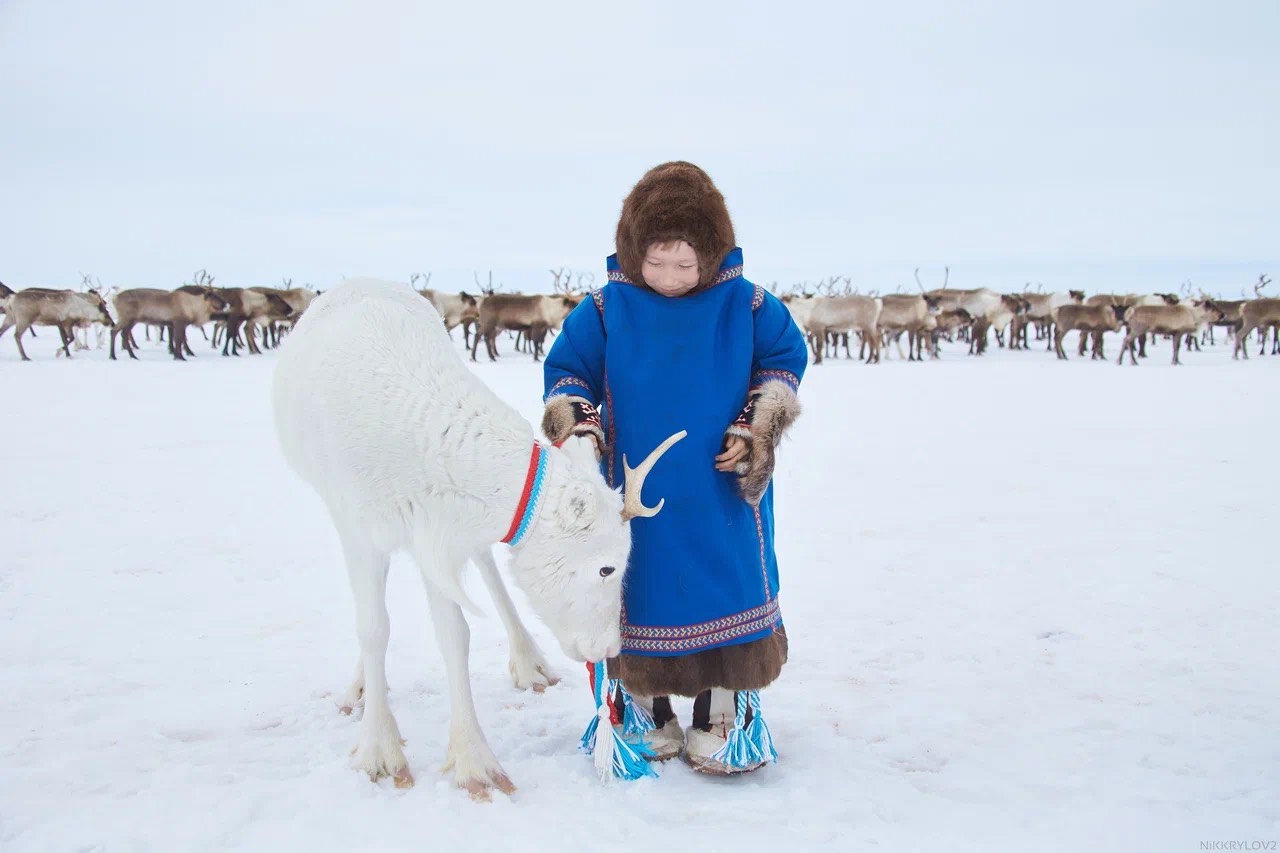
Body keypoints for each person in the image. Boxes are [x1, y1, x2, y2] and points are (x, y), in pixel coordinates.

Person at [540, 161, 808, 775]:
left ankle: (724, 704)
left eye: (684, 264)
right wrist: (580, 423)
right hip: (637, 488)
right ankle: (644, 705)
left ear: (711, 253)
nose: (667, 278)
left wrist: (754, 423)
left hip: (721, 484)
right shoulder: (608, 308)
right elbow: (568, 370)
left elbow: (784, 358)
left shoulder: (747, 303)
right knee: (640, 581)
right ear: (634, 251)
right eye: (655, 262)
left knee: (726, 575)